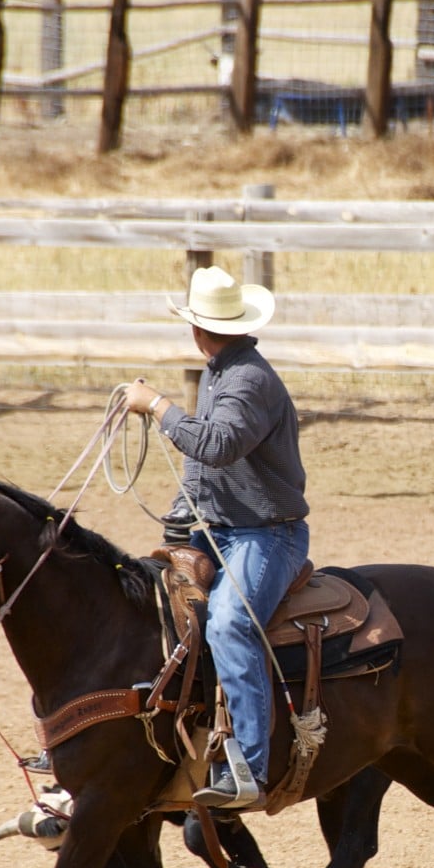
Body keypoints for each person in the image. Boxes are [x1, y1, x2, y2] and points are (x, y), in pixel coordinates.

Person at [124, 265, 310, 807]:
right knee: (147, 596)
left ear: (197, 329)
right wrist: (181, 517)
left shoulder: (248, 378)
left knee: (229, 622)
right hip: (225, 528)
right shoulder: (219, 372)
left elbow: (220, 445)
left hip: (267, 535)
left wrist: (158, 407)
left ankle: (249, 766)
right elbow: (207, 469)